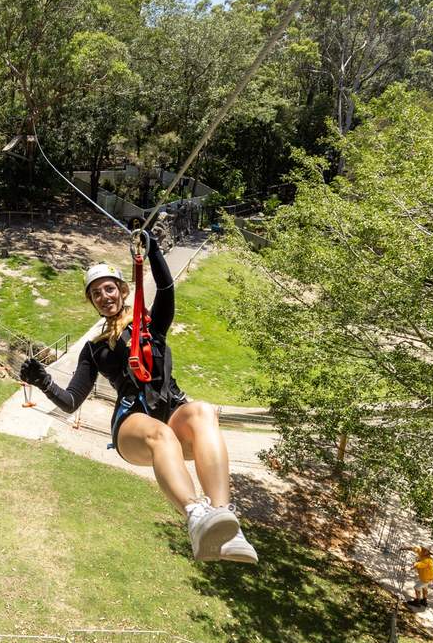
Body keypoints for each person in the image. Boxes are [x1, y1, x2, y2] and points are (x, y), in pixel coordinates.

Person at [19, 231, 257, 563]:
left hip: (171, 409)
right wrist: (43, 381)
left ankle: (225, 523)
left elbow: (167, 288)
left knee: (203, 411)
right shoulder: (94, 349)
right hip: (132, 423)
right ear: (92, 303)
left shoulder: (152, 325)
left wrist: (153, 250)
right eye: (96, 294)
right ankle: (195, 516)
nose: (104, 296)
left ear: (124, 291)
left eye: (109, 288)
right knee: (159, 434)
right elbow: (72, 400)